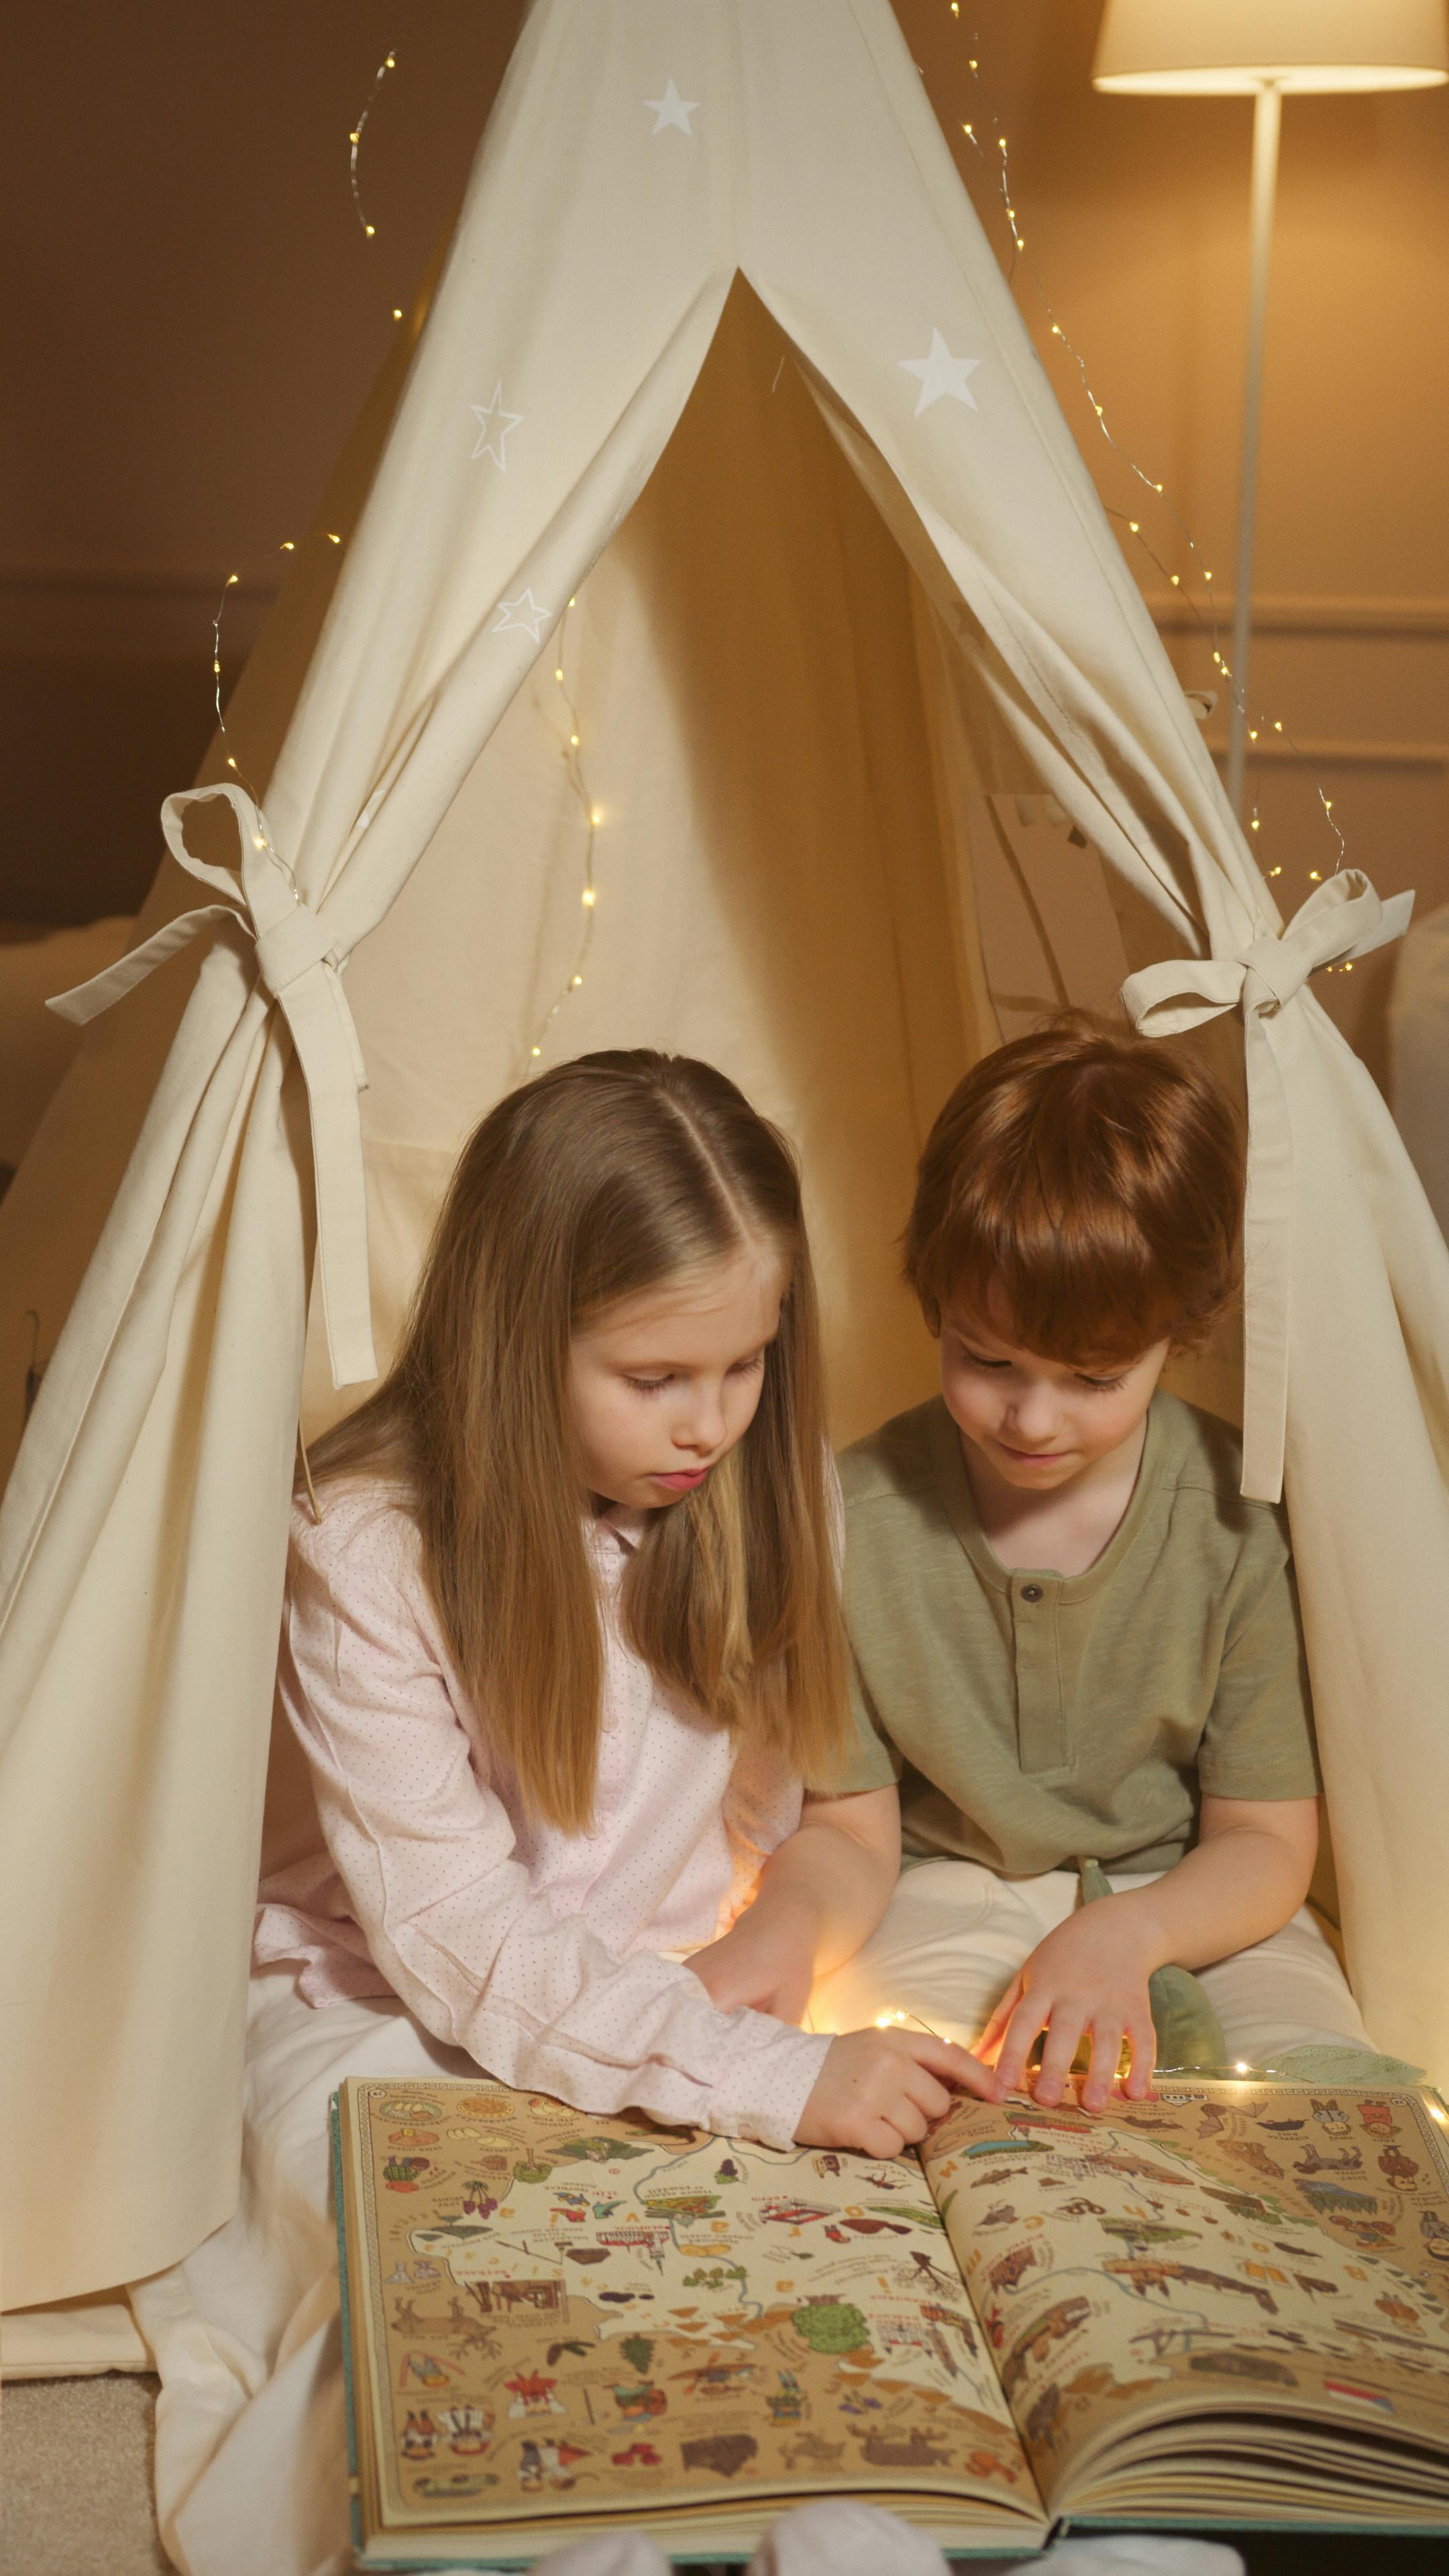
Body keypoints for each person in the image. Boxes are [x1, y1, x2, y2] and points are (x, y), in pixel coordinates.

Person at [255, 1049, 987, 2155]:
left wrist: (763, 1958)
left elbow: (809, 1808)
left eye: (746, 1364)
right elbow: (454, 1928)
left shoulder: (772, 1497)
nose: (710, 1425)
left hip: (677, 1998)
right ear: (515, 1338)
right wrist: (761, 2072)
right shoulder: (359, 1549)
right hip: (396, 2004)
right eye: (655, 1381)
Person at [811, 1015, 1375, 2113]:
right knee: (914, 2105)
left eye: (1094, 1376)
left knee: (1318, 2111)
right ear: (935, 1300)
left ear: (1185, 1332)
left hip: (1194, 1898)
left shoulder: (1235, 1521)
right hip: (935, 1887)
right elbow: (848, 1833)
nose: (1031, 1418)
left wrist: (1130, 1931)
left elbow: (1265, 1841)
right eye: (988, 1360)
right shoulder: (851, 1519)